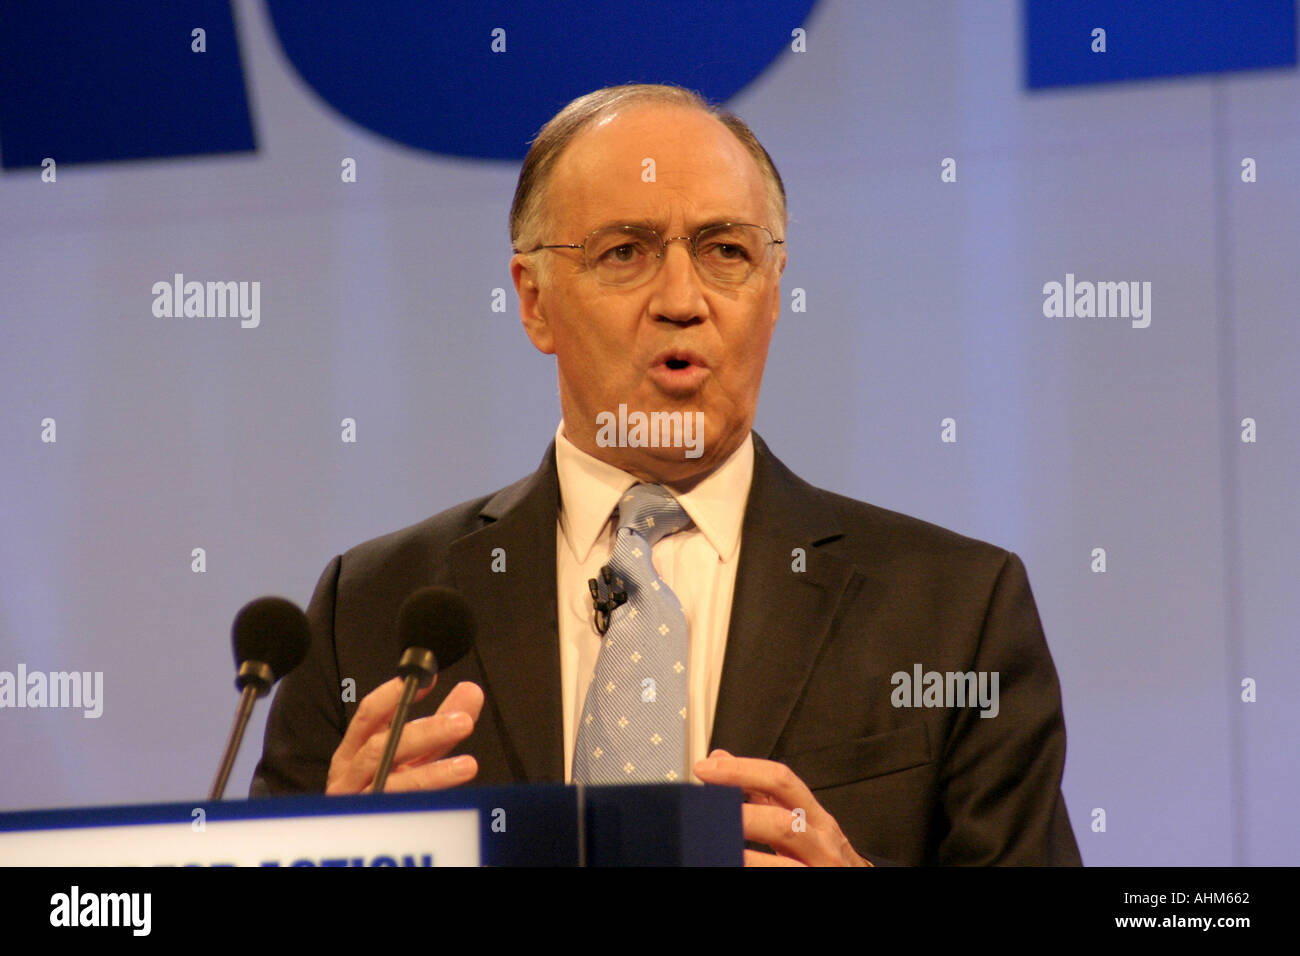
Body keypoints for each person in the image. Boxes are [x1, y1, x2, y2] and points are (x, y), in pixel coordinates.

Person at [252, 83, 1082, 867]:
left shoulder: (955, 609)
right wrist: (328, 849)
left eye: (726, 251)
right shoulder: (366, 611)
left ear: (773, 288)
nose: (682, 298)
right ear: (534, 300)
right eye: (626, 251)